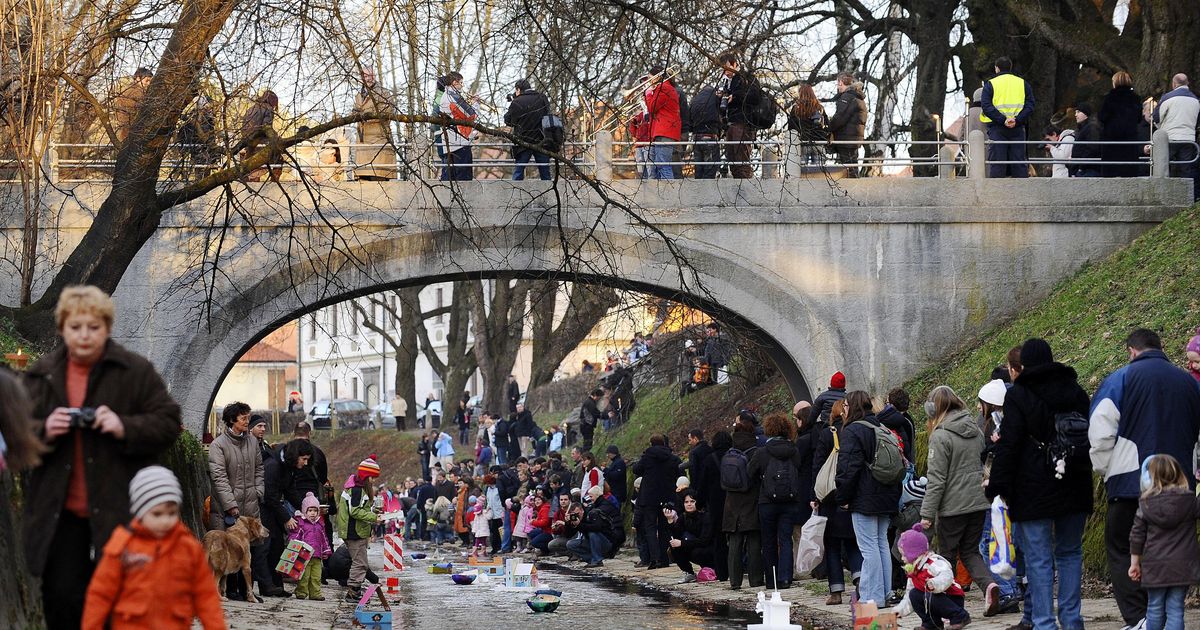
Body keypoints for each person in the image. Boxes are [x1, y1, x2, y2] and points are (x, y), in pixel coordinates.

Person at [21, 286, 182, 629]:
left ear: (107, 328)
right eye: (75, 327)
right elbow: (15, 435)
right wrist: (45, 429)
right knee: (62, 600)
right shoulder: (42, 375)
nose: (84, 336)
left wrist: (123, 426)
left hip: (118, 508)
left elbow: (169, 423)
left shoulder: (134, 372)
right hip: (59, 513)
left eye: (93, 327)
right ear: (62, 328)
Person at [1089, 328, 1200, 629]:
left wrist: (1105, 469)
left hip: (1129, 483)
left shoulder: (1121, 379)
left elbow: (1100, 429)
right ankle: (1168, 616)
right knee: (1176, 548)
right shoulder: (1189, 384)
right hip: (1182, 486)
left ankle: (1139, 617)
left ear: (1131, 351)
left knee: (1123, 546)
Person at [986, 338, 1091, 630]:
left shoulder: (1020, 395)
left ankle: (1044, 623)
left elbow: (1009, 445)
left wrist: (999, 487)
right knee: (1070, 553)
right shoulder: (1076, 391)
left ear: (1024, 365)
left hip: (1034, 489)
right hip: (1074, 481)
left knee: (1039, 559)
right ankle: (1072, 620)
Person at [81, 466, 223, 630]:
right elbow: (100, 594)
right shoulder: (122, 545)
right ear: (139, 513)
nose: (165, 520)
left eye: (171, 513)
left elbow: (205, 596)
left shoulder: (188, 547)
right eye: (157, 514)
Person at [919, 385, 1000, 617]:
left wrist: (926, 514)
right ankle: (990, 586)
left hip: (953, 507)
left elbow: (936, 480)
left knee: (946, 556)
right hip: (977, 501)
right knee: (970, 552)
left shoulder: (941, 436)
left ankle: (950, 607)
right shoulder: (974, 430)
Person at [836, 391, 901, 606]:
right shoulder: (881, 428)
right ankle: (884, 592)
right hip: (887, 495)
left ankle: (872, 597)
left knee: (868, 546)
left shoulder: (853, 431)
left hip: (864, 497)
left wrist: (843, 496)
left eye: (845, 406)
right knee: (881, 543)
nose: (843, 410)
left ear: (853, 407)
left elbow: (848, 468)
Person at [208, 402, 278, 598]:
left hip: (250, 504)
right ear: (232, 420)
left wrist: (258, 491)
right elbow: (219, 477)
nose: (248, 421)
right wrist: (230, 505)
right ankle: (229, 590)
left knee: (247, 547)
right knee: (227, 546)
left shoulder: (252, 442)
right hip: (226, 507)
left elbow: (259, 469)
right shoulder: (218, 445)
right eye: (243, 418)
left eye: (248, 417)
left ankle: (245, 590)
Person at [1128, 454, 1200, 630]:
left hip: (1155, 566)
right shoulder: (1190, 501)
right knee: (1176, 609)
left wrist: (1134, 564)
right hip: (1183, 566)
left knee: (1154, 609)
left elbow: (1136, 536)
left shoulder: (1145, 505)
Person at [811, 399, 862, 604]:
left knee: (831, 545)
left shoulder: (826, 434)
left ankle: (836, 592)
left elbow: (818, 465)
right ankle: (859, 581)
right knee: (853, 543)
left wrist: (815, 496)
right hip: (851, 494)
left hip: (829, 497)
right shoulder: (856, 431)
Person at [748, 412, 805, 589]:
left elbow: (750, 473)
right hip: (790, 501)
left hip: (767, 502)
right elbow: (799, 470)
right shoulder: (794, 450)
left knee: (769, 540)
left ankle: (772, 579)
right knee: (786, 539)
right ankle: (786, 578)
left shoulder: (762, 452)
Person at [896, 522, 971, 630]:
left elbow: (947, 575)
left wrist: (935, 583)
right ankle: (931, 623)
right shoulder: (914, 571)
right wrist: (898, 612)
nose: (902, 558)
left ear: (913, 553)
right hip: (933, 599)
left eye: (904, 554)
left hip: (952, 598)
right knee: (914, 594)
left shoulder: (933, 562)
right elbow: (908, 596)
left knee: (928, 594)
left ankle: (960, 616)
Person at [632, 434, 682, 569]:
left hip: (649, 498)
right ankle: (665, 559)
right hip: (667, 496)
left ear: (651, 443)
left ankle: (655, 559)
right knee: (664, 527)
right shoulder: (672, 458)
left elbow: (635, 469)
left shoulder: (647, 457)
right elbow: (680, 472)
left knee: (650, 528)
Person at [724, 416, 763, 590]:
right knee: (753, 539)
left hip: (732, 501)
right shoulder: (755, 450)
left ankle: (734, 581)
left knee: (734, 540)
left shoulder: (729, 450)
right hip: (751, 499)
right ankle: (755, 579)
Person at [980, 57, 1035, 178]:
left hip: (997, 128)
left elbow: (986, 105)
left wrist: (1002, 119)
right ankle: (1020, 192)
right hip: (1018, 128)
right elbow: (1030, 105)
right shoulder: (1022, 83)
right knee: (1019, 163)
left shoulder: (991, 84)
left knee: (998, 162)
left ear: (996, 68)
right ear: (1010, 68)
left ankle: (996, 194)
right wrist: (1017, 119)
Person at [337, 455, 380, 601]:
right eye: (372, 478)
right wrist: (373, 517)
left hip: (351, 530)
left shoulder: (353, 487)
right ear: (367, 476)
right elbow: (354, 511)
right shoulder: (357, 490)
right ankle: (353, 591)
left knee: (359, 561)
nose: (373, 481)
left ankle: (354, 589)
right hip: (354, 531)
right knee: (360, 563)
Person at [1152, 73, 1200, 199]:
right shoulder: (1196, 99)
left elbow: (1156, 117)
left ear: (1174, 84)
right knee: (1187, 169)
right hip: (1189, 139)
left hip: (1170, 138)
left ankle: (1167, 196)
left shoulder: (1167, 98)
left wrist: (1160, 128)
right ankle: (1187, 198)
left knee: (1166, 167)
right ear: (1187, 83)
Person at [352, 69, 397, 181]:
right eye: (365, 76)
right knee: (363, 179)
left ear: (375, 76)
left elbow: (388, 112)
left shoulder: (384, 93)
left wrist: (367, 116)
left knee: (379, 176)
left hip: (378, 140)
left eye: (371, 75)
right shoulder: (358, 95)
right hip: (363, 142)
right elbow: (354, 112)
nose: (368, 78)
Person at [503, 78, 552, 180]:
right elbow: (548, 115)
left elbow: (508, 121)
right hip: (541, 140)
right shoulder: (542, 98)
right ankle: (549, 194)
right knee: (545, 173)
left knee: (518, 172)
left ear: (518, 90)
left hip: (523, 142)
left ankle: (515, 194)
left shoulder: (517, 102)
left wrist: (514, 102)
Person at [716, 52, 755, 179]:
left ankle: (745, 189)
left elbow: (755, 96)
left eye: (727, 68)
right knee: (732, 158)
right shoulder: (727, 81)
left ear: (734, 64)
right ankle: (737, 187)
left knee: (741, 158)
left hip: (742, 122)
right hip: (730, 123)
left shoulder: (746, 77)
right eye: (723, 69)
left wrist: (736, 96)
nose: (725, 72)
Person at [434, 71, 477, 181]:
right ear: (454, 82)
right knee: (464, 178)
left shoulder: (446, 96)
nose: (462, 86)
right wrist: (475, 103)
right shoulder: (453, 96)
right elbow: (471, 114)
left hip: (451, 142)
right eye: (461, 83)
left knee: (449, 178)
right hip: (459, 143)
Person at [289, 492, 332, 600]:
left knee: (316, 577)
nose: (313, 513)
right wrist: (293, 545)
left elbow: (324, 539)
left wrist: (326, 550)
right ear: (305, 511)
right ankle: (301, 592)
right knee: (304, 576)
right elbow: (295, 536)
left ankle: (315, 593)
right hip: (304, 555)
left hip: (317, 556)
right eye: (310, 510)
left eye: (315, 510)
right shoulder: (301, 524)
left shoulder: (320, 524)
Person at [1100, 71, 1143, 177]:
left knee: (1111, 171)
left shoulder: (1109, 98)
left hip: (1112, 140)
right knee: (1128, 171)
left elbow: (1102, 116)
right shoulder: (1135, 98)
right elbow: (1138, 118)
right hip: (1130, 140)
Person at [665, 490, 712, 583]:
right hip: (692, 545)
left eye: (692, 501)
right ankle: (689, 572)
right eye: (686, 502)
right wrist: (670, 521)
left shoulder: (705, 516)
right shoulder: (683, 517)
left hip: (707, 549)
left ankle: (711, 568)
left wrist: (682, 543)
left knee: (696, 552)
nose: (689, 504)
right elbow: (676, 535)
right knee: (674, 546)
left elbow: (705, 540)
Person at [828, 73, 867, 176]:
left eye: (837, 83)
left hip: (846, 139)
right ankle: (854, 190)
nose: (837, 87)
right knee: (852, 167)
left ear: (841, 82)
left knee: (849, 170)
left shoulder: (847, 97)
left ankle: (852, 191)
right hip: (853, 138)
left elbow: (840, 118)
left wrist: (828, 126)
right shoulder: (857, 97)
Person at [240, 89, 281, 182]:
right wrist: (276, 138)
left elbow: (243, 128)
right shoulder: (268, 109)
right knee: (279, 155)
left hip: (247, 142)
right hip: (259, 142)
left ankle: (251, 177)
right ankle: (274, 180)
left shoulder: (250, 109)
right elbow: (266, 128)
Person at [786, 82, 829, 168]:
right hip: (818, 143)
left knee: (801, 172)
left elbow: (791, 127)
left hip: (803, 143)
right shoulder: (820, 108)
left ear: (800, 94)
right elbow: (827, 125)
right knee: (819, 173)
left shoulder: (796, 108)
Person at [112, 68, 153, 144]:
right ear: (138, 78)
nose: (148, 83)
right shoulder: (133, 91)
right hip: (129, 127)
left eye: (150, 81)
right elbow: (123, 103)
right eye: (147, 81)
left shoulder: (139, 90)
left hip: (131, 127)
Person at [877, 387, 916, 465]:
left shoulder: (891, 421)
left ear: (892, 404)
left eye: (887, 403)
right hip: (908, 462)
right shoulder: (908, 420)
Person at [690, 85, 722, 178]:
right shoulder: (714, 99)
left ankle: (699, 190)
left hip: (696, 137)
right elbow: (721, 112)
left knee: (698, 167)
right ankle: (707, 190)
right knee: (710, 167)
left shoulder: (695, 100)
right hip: (709, 135)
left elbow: (689, 119)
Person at [683, 429, 714, 506]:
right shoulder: (711, 449)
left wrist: (693, 489)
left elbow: (693, 472)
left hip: (700, 487)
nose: (689, 443)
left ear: (695, 438)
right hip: (712, 485)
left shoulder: (694, 452)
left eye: (690, 440)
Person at [1071, 104, 1102, 177]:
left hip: (1089, 169)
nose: (1075, 115)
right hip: (1084, 168)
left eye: (1078, 112)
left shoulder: (1092, 127)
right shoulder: (1083, 128)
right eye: (1075, 112)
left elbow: (1092, 148)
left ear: (1086, 113)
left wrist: (1081, 165)